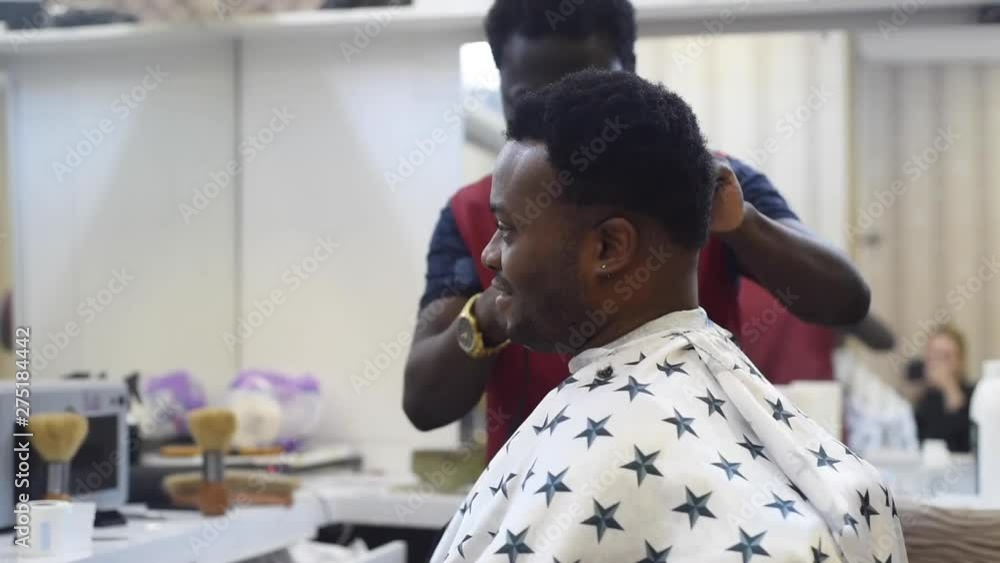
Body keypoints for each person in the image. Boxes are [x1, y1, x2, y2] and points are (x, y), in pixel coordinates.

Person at [429, 69, 906, 563]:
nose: (488, 255)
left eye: (507, 229)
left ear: (610, 247)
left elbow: (848, 298)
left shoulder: (604, 462)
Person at [404, 0, 871, 460]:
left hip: (698, 477)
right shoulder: (468, 214)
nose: (555, 118)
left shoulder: (703, 182)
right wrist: (496, 301)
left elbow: (845, 299)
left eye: (581, 95)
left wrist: (740, 222)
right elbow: (423, 404)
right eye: (533, 97)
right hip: (539, 496)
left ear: (629, 71)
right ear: (501, 78)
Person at [914, 325, 975, 453]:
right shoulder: (923, 400)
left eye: (945, 356)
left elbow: (966, 443)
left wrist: (950, 388)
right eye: (933, 355)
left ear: (960, 361)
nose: (938, 362)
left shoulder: (974, 395)